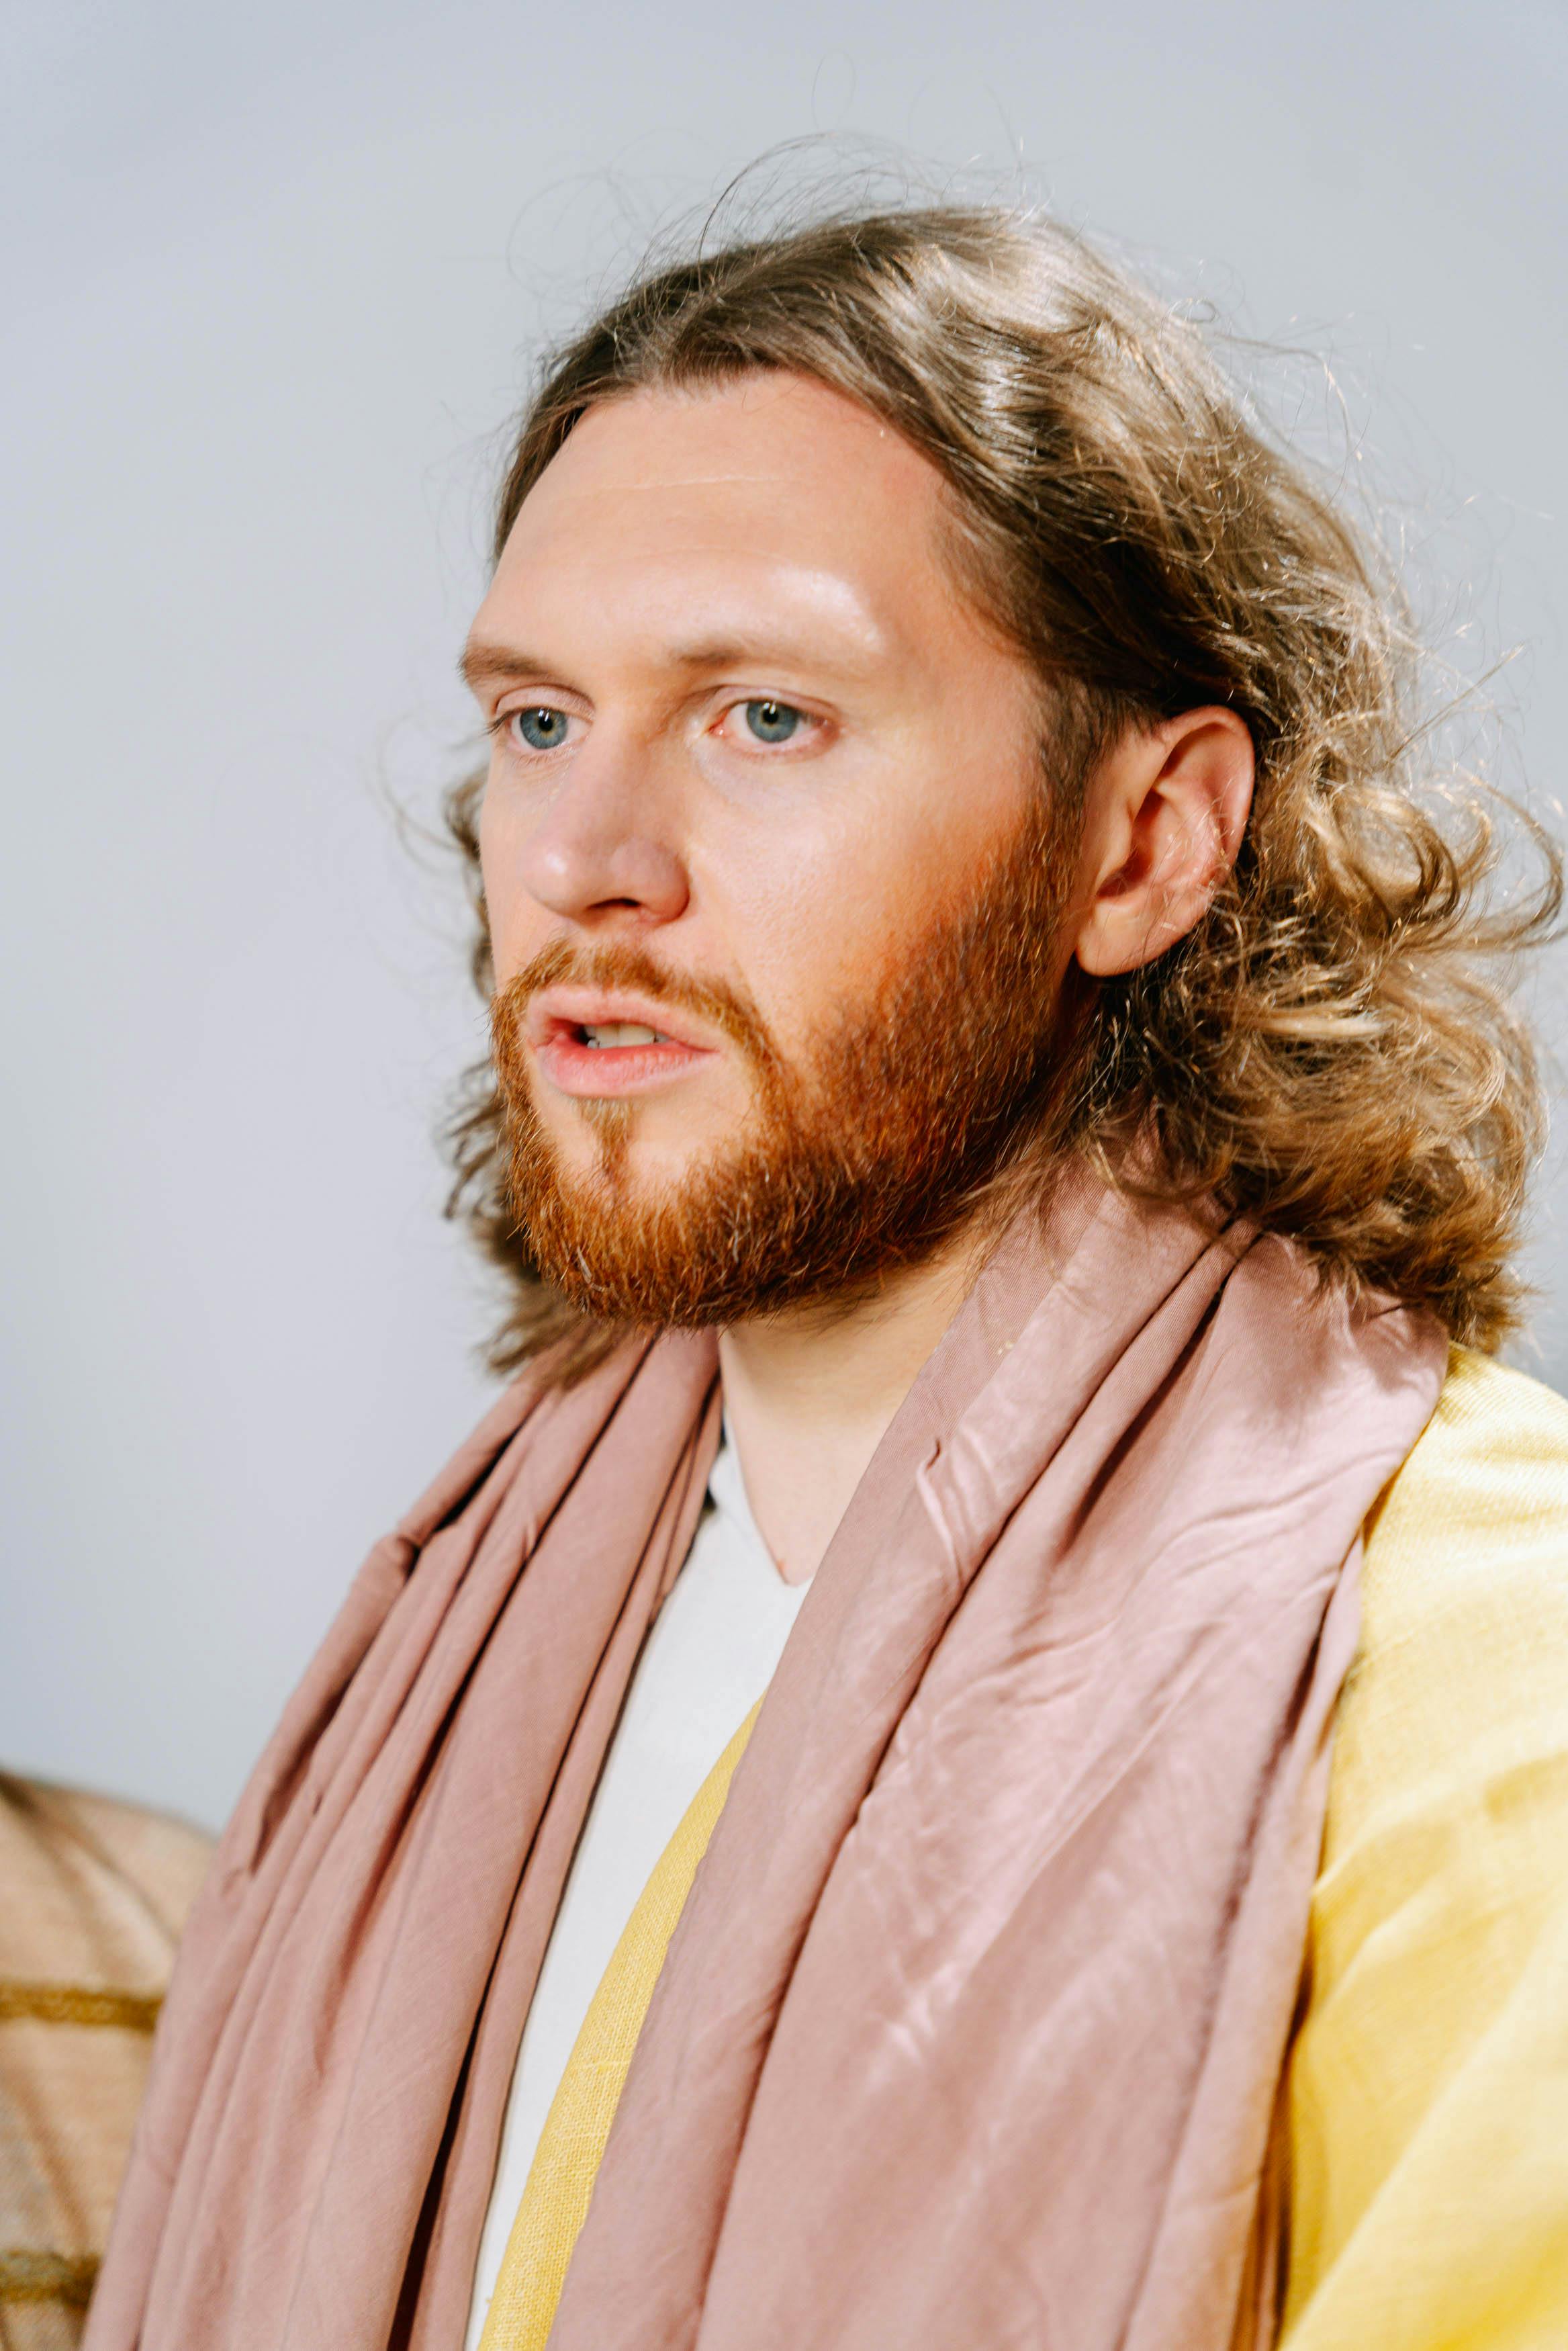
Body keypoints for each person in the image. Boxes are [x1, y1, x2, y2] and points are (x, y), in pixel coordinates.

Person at [85, 199, 1568, 2351]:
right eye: (535, 720)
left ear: (1144, 841)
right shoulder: (461, 1638)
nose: (590, 859)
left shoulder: (1472, 1676)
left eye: (762, 718)